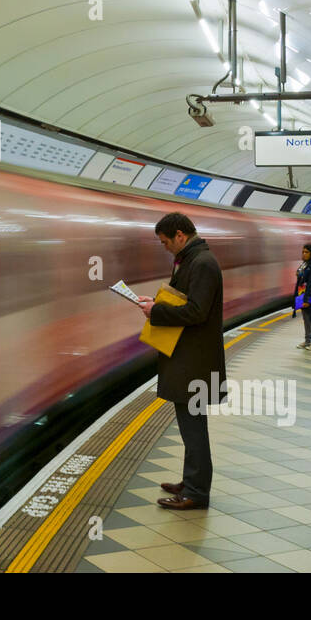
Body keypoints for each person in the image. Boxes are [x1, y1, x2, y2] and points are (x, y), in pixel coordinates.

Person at [139, 212, 225, 510]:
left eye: (165, 242)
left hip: (194, 361)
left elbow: (196, 311)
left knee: (194, 429)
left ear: (179, 234)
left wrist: (157, 312)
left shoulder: (202, 263)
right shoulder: (193, 260)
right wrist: (156, 304)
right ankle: (191, 482)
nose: (165, 247)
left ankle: (197, 492)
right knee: (191, 427)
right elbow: (184, 300)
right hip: (189, 359)